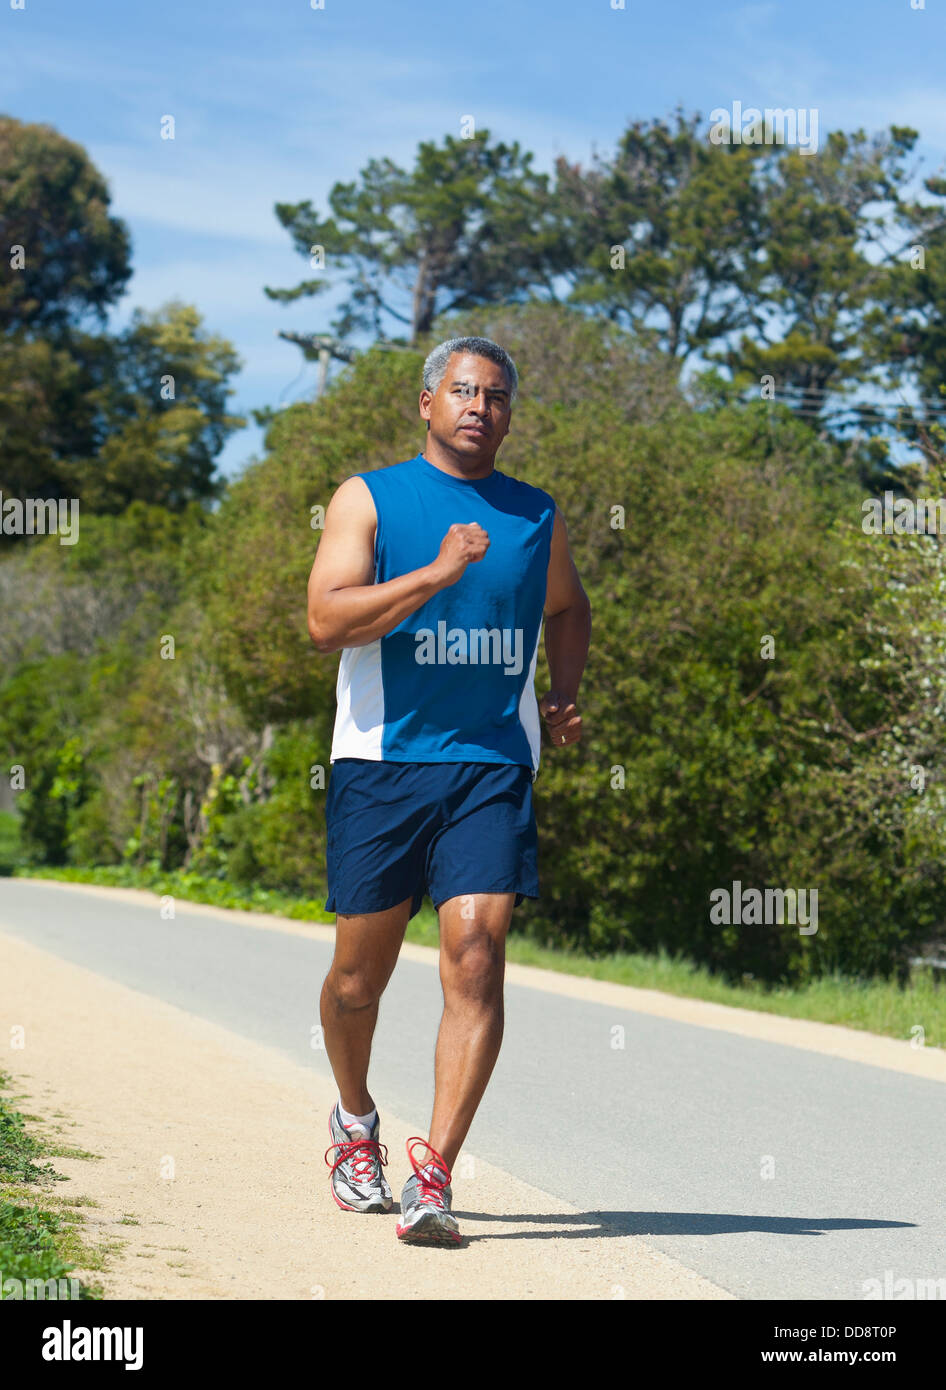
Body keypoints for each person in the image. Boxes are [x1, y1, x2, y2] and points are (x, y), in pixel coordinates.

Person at [306, 334, 591, 1245]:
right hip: (382, 762)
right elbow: (325, 621)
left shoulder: (533, 513)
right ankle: (355, 1122)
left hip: (492, 762)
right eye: (464, 392)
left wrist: (564, 696)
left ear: (510, 414)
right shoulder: (371, 498)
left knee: (476, 951)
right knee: (359, 977)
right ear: (425, 403)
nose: (480, 408)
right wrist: (434, 572)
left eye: (497, 397)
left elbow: (568, 608)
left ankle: (435, 1171)